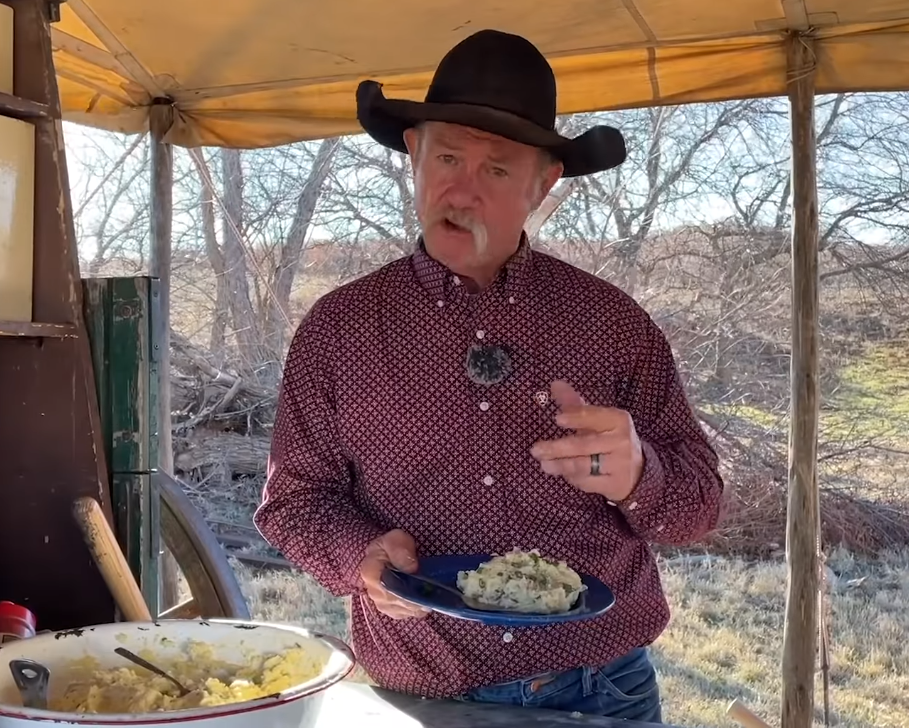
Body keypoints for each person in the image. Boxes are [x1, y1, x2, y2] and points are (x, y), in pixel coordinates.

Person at [255, 28, 724, 723]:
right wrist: (361, 555)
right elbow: (293, 503)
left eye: (497, 170)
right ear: (414, 154)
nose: (462, 192)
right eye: (446, 157)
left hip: (600, 690)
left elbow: (699, 506)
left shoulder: (612, 323)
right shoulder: (339, 329)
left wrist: (637, 476)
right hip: (423, 694)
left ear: (543, 184)